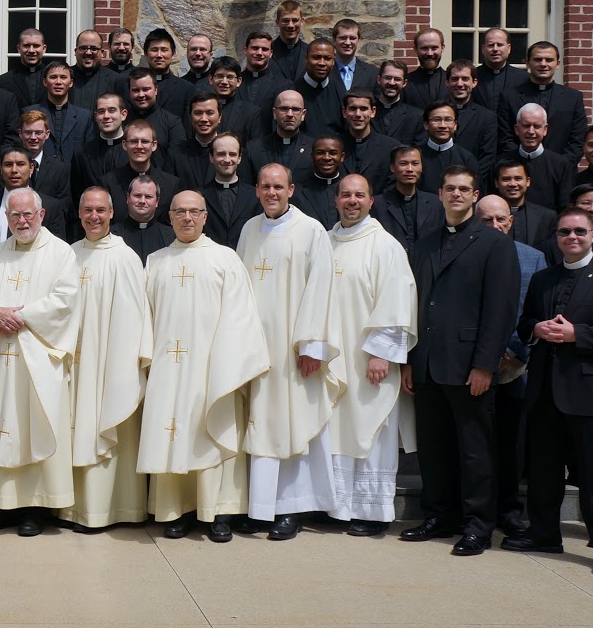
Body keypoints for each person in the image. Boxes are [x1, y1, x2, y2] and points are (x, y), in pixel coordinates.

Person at [507, 206, 593, 578]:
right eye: (565, 232)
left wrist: (576, 334)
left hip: (591, 393)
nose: (572, 237)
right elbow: (525, 323)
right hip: (545, 391)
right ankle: (544, 535)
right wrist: (537, 329)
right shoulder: (543, 278)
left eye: (579, 231)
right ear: (556, 237)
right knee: (543, 472)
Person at [400, 166, 520, 555]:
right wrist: (409, 360)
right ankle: (439, 516)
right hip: (428, 362)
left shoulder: (494, 244)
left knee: (474, 450)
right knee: (433, 447)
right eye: (450, 188)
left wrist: (485, 364)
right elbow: (415, 302)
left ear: (474, 195)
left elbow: (500, 310)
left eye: (464, 189)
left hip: (469, 365)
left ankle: (478, 525)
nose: (456, 194)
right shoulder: (425, 242)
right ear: (439, 193)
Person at [142, 190, 271, 541]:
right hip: (168, 368)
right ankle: (177, 510)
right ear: (169, 217)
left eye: (194, 212)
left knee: (214, 430)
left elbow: (241, 315)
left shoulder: (225, 259)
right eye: (180, 212)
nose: (187, 218)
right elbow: (144, 319)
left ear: (204, 217)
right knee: (173, 433)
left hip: (213, 367)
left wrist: (227, 364)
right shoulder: (156, 262)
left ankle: (220, 512)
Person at [235, 164, 343, 539]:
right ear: (256, 190)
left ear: (291, 190)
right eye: (265, 186)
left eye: (278, 187)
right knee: (260, 422)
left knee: (294, 421)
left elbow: (321, 288)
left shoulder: (310, 230)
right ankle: (261, 507)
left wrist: (312, 345)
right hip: (257, 347)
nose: (271, 193)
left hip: (294, 351)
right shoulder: (249, 229)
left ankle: (292, 508)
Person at [0, 188, 83, 537]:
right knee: (1, 423)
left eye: (28, 214)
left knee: (32, 424)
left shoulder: (61, 253)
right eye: (15, 215)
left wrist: (22, 316)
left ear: (41, 215)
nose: (22, 221)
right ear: (6, 218)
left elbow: (66, 299)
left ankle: (33, 508)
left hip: (39, 357)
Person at [325, 175, 418, 534]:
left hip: (369, 361)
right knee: (337, 430)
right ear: (336, 200)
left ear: (371, 201)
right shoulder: (325, 242)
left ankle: (372, 512)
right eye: (346, 195)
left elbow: (397, 299)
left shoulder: (385, 245)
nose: (352, 201)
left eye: (359, 195)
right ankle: (337, 507)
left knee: (371, 428)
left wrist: (382, 354)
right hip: (334, 361)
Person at [64, 187, 152, 532]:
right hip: (74, 362)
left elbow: (134, 317)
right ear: (79, 214)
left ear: (112, 213)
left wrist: (121, 364)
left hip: (110, 361)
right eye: (87, 210)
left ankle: (112, 509)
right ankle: (71, 508)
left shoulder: (124, 257)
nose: (94, 217)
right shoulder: (69, 254)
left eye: (100, 210)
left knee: (106, 422)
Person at [475, 193, 547, 538]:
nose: (495, 225)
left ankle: (508, 510)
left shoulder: (533, 258)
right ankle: (474, 511)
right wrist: (489, 352)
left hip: (516, 367)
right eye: (486, 220)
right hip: (475, 367)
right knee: (476, 446)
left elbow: (538, 311)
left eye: (500, 219)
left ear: (510, 221)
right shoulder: (466, 255)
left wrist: (516, 351)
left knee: (511, 446)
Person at [495, 40, 587, 161]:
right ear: (528, 63)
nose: (543, 64)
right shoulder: (509, 97)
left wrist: (560, 166)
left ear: (557, 64)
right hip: (519, 167)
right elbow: (505, 138)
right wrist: (521, 165)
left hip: (560, 168)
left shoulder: (573, 98)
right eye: (538, 59)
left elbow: (578, 139)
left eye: (549, 60)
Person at [374, 146, 445, 254]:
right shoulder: (377, 204)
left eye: (415, 163)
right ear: (392, 167)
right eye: (403, 164)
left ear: (421, 167)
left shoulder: (436, 204)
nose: (410, 169)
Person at [510, 103, 576, 211]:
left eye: (537, 126)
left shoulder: (561, 164)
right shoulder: (502, 162)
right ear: (517, 129)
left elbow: (565, 206)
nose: (531, 132)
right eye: (526, 126)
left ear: (545, 129)